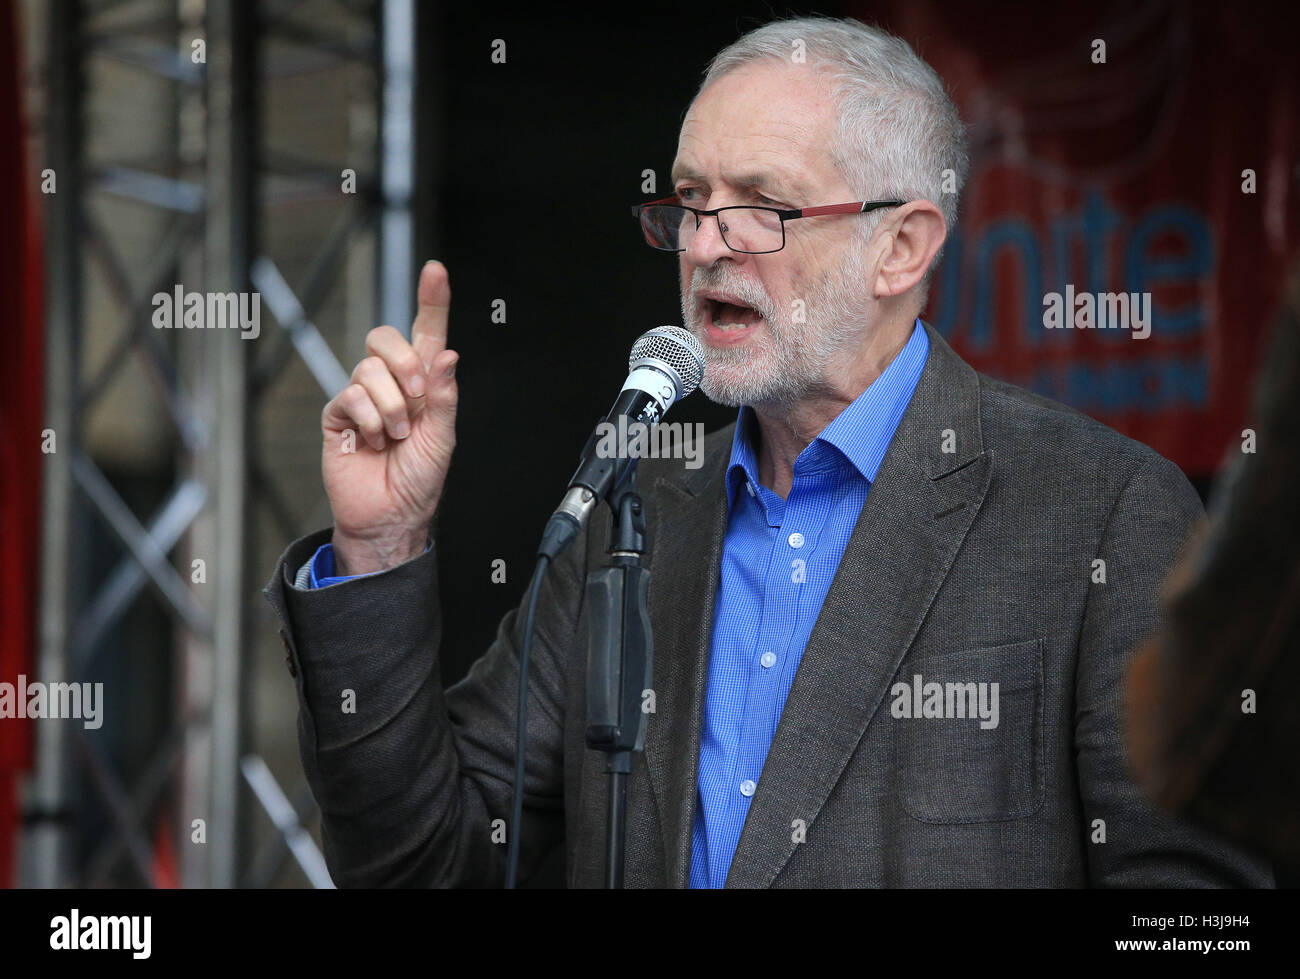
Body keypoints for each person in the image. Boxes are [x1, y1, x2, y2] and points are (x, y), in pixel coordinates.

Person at [264, 16, 1271, 887]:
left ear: (903, 247)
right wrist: (381, 544)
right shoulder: (630, 514)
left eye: (759, 205)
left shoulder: (1097, 509)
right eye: (691, 200)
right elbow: (423, 865)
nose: (704, 245)